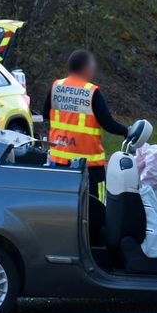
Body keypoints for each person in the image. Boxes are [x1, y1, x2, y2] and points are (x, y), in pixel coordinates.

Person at [43, 50, 128, 202]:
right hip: (89, 163)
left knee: (63, 202)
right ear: (86, 68)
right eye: (92, 66)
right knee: (96, 204)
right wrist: (127, 131)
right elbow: (107, 122)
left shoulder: (57, 86)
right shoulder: (91, 91)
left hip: (59, 160)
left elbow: (45, 114)